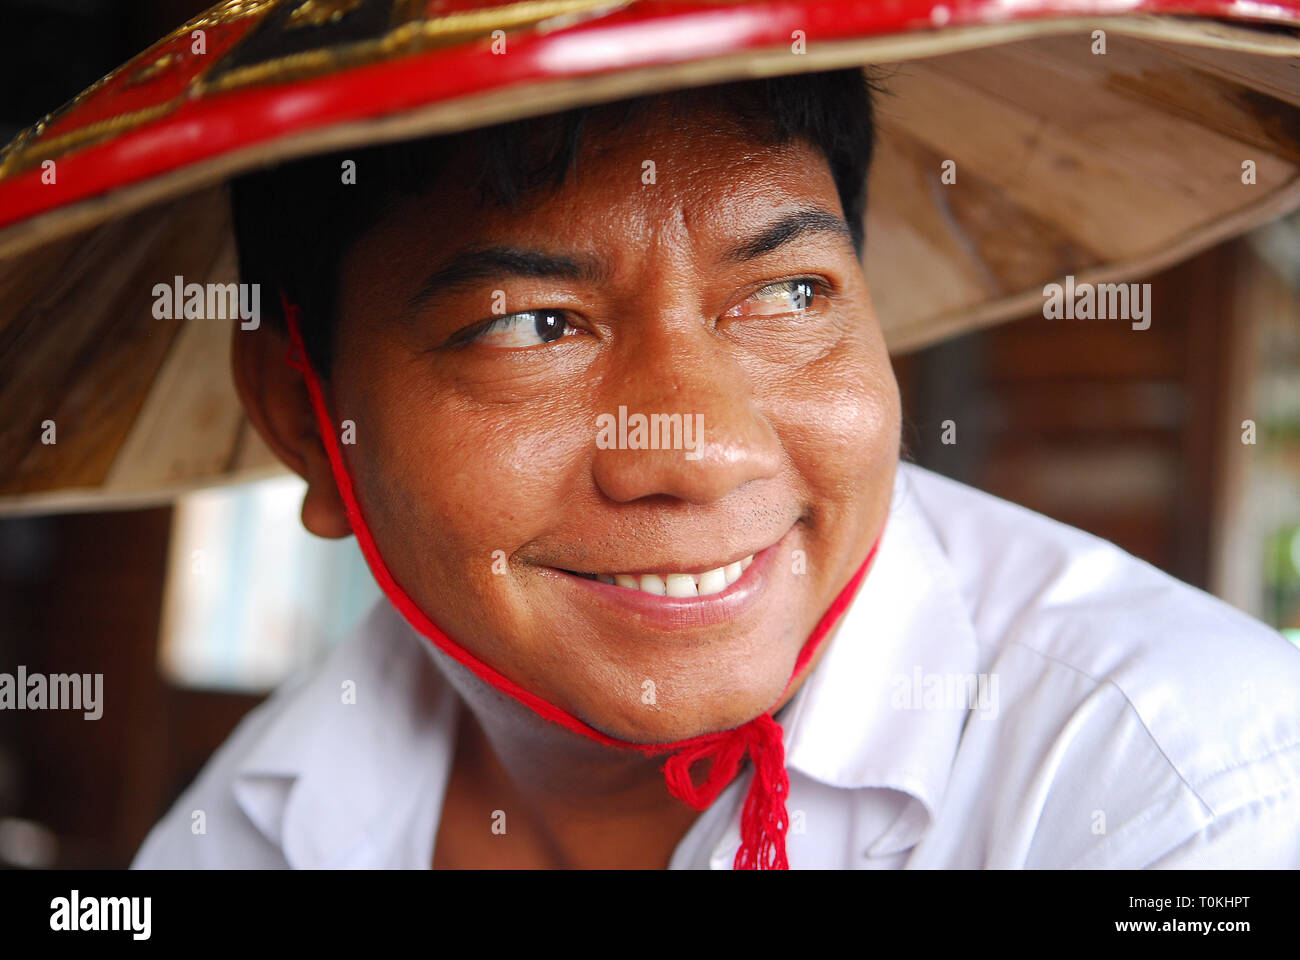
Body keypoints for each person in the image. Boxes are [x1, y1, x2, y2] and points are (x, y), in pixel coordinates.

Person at [127, 68, 1300, 869]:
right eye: (534, 323)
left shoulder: (1197, 803)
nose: (698, 456)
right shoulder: (251, 827)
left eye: (790, 295)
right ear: (303, 418)